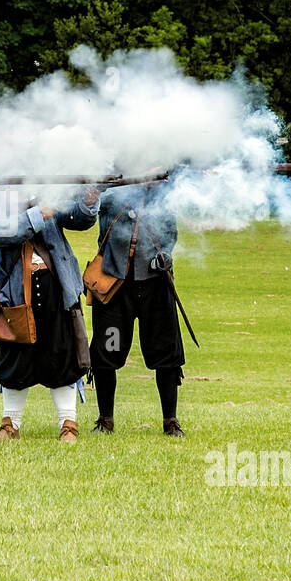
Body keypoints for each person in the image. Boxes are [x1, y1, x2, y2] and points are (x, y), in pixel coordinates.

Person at [0, 185, 99, 443]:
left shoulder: (51, 182)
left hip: (55, 283)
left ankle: (68, 424)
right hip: (16, 285)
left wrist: (89, 202)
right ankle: (10, 424)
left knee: (62, 352)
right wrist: (38, 214)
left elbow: (76, 220)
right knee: (15, 355)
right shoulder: (0, 189)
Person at [87, 182, 188, 437]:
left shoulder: (162, 192)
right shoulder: (112, 191)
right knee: (107, 351)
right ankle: (105, 419)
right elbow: (96, 205)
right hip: (115, 285)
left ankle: (170, 421)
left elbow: (170, 232)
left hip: (155, 283)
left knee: (165, 351)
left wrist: (164, 254)